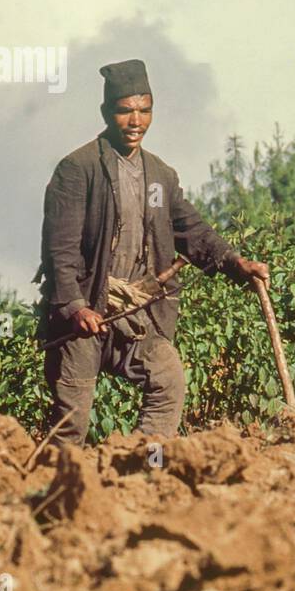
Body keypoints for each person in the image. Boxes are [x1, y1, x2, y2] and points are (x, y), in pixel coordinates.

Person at [33, 58, 268, 445]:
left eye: (145, 110)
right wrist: (76, 308)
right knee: (71, 424)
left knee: (168, 379)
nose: (136, 121)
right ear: (107, 112)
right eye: (125, 111)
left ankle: (139, 471)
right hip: (85, 314)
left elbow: (192, 230)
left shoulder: (160, 175)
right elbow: (59, 251)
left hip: (136, 313)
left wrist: (235, 263)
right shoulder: (77, 170)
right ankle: (55, 494)